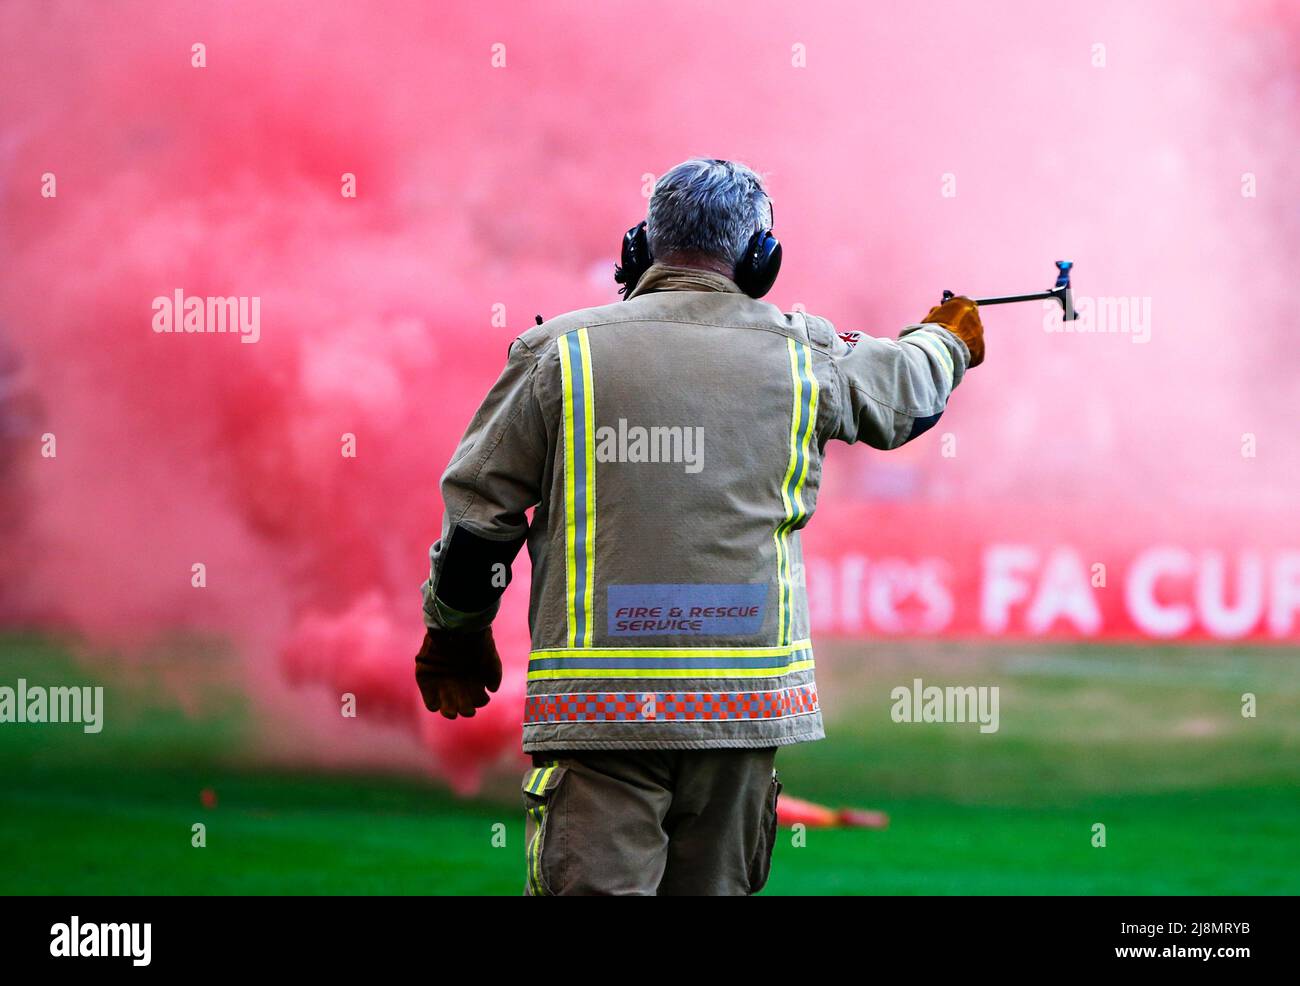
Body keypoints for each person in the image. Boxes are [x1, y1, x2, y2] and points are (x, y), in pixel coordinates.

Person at [415, 158, 984, 895]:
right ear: (760, 260)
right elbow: (909, 390)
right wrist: (948, 338)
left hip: (599, 712)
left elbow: (478, 525)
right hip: (743, 710)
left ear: (639, 249)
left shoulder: (561, 351)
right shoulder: (803, 354)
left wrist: (454, 635)